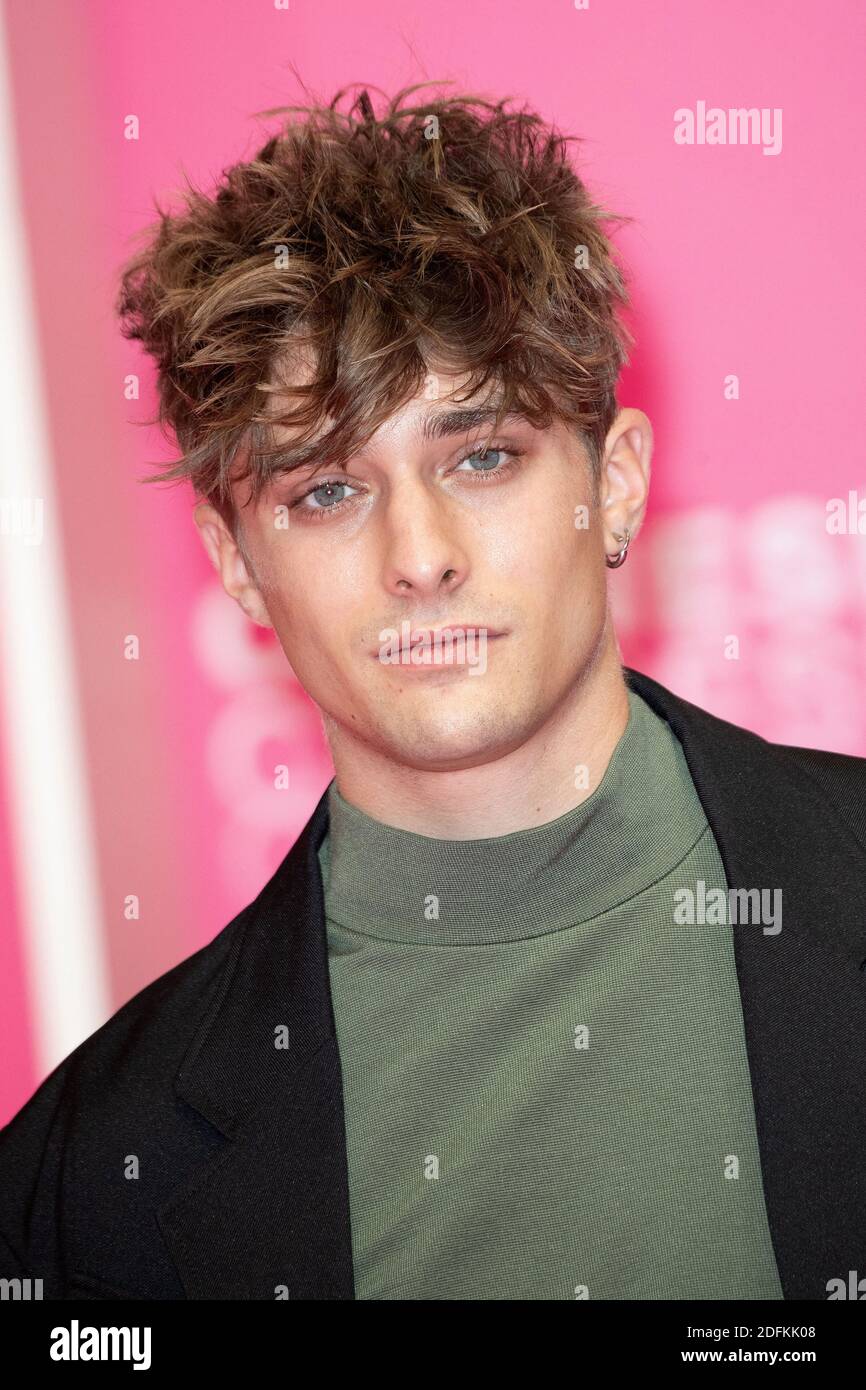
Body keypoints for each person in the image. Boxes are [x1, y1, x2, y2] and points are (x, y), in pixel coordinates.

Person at [1, 82, 864, 1303]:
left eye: (483, 456)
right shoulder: (89, 1183)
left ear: (612, 485)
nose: (418, 553)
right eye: (326, 492)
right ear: (239, 566)